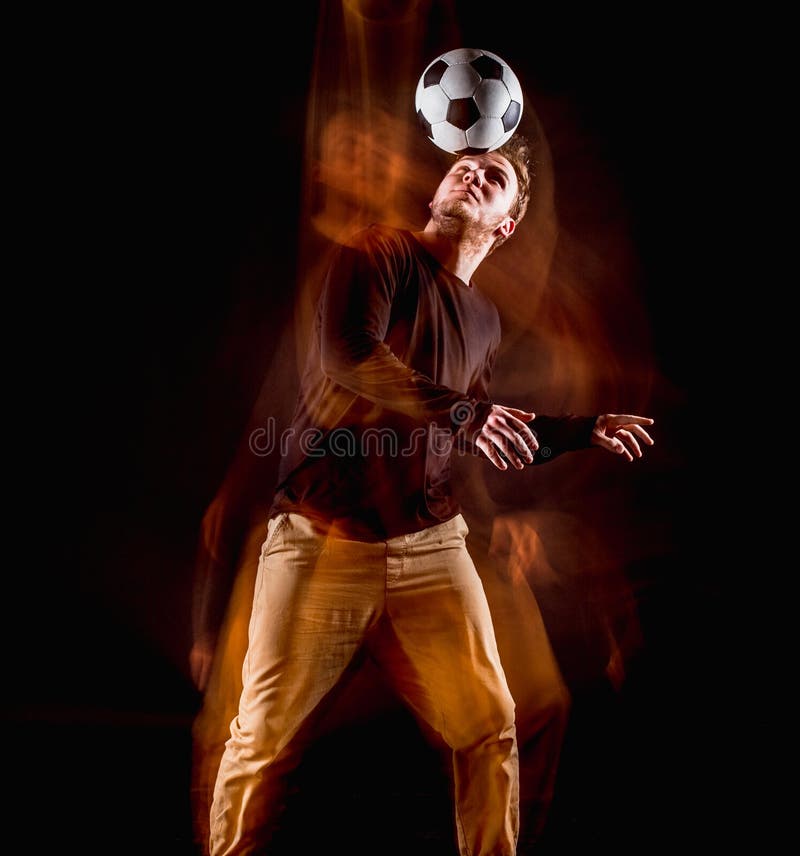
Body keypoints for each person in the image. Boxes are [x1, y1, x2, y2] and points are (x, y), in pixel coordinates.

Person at [207, 133, 655, 856]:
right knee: (260, 737)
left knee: (489, 726)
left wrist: (582, 429)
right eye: (463, 167)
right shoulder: (377, 254)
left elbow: (481, 431)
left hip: (430, 549)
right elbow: (348, 355)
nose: (474, 174)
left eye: (495, 176)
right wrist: (468, 415)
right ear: (436, 193)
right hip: (322, 541)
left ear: (506, 225)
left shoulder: (484, 321)